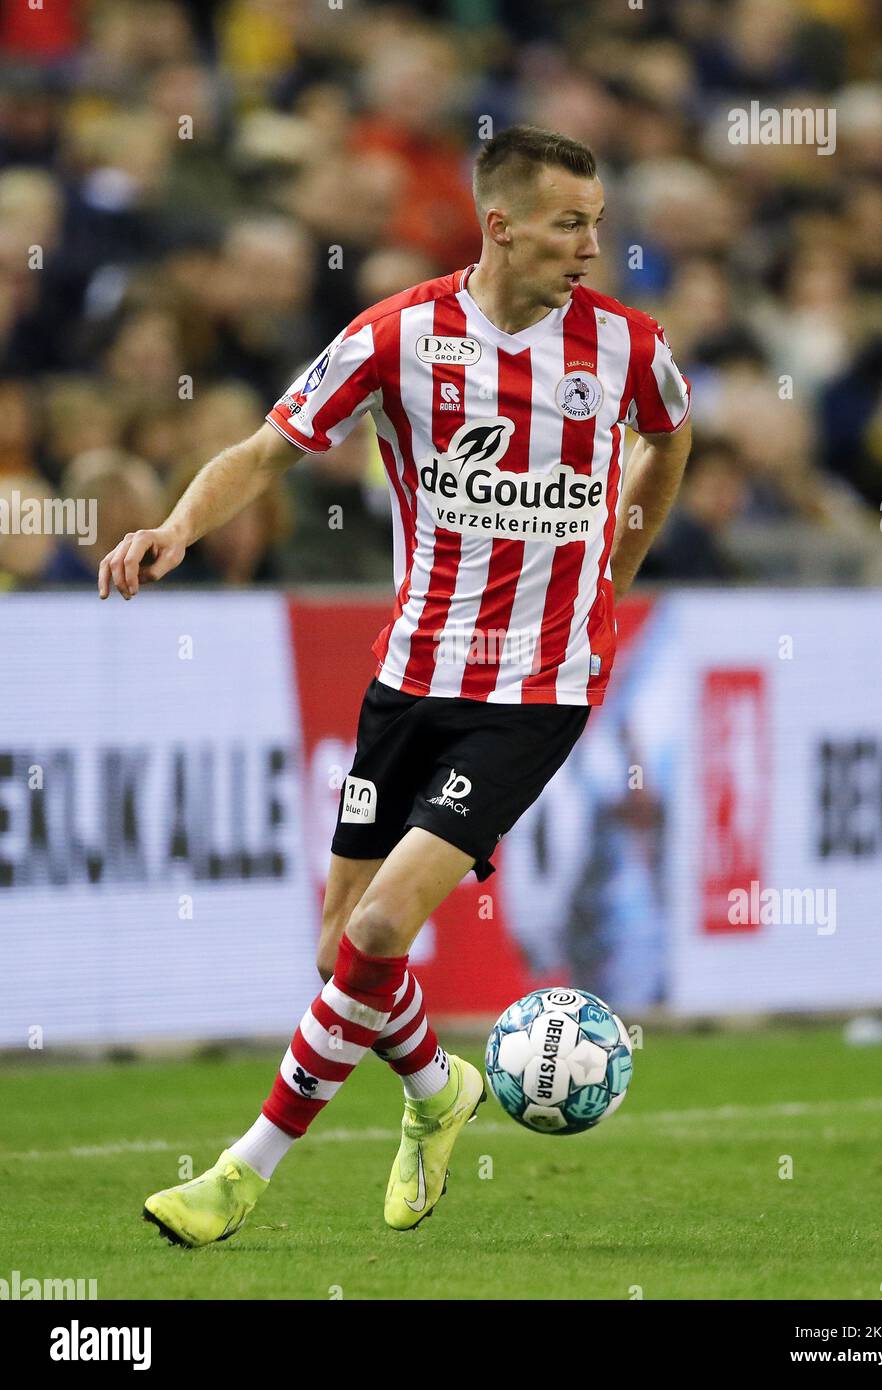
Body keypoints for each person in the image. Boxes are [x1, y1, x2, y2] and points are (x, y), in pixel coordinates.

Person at [97, 124, 692, 1245]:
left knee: (378, 927)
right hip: (409, 678)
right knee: (339, 956)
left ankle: (241, 1170)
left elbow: (671, 435)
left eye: (598, 223)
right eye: (571, 224)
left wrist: (623, 558)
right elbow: (269, 450)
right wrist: (176, 524)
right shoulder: (399, 336)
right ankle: (437, 1090)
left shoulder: (626, 348)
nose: (591, 246)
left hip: (537, 688)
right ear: (501, 224)